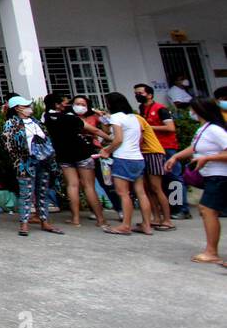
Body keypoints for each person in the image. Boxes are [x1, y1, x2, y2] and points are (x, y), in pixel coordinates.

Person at [164, 97, 227, 265]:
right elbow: (195, 148)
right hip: (212, 176)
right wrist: (176, 157)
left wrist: (208, 158)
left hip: (220, 176)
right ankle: (211, 250)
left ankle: (212, 251)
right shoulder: (204, 129)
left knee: (208, 210)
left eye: (192, 109)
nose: (190, 113)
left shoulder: (215, 129)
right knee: (207, 210)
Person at [42, 93, 108, 228]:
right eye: (65, 102)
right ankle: (100, 219)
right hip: (81, 153)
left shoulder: (46, 117)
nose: (68, 104)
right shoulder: (70, 118)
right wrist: (111, 139)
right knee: (88, 186)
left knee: (72, 186)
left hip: (63, 154)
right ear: (57, 104)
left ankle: (76, 219)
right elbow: (94, 130)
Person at [1, 95, 64, 236]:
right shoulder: (11, 124)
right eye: (26, 106)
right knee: (26, 193)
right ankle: (24, 223)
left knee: (42, 192)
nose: (29, 109)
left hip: (44, 160)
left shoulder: (36, 122)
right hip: (26, 162)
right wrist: (20, 159)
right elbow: (8, 145)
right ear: (17, 108)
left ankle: (45, 220)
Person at [95, 93, 154, 236]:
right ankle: (146, 225)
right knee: (141, 193)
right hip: (137, 158)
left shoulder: (117, 117)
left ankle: (125, 225)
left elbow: (118, 139)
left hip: (123, 158)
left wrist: (106, 151)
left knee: (123, 193)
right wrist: (104, 119)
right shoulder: (134, 118)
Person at [136, 83, 187, 219]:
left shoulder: (160, 109)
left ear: (150, 95)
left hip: (167, 147)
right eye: (136, 93)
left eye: (140, 93)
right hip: (153, 148)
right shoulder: (142, 108)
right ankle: (169, 208)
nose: (137, 95)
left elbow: (170, 128)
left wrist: (149, 128)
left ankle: (181, 208)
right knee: (160, 181)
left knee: (173, 177)